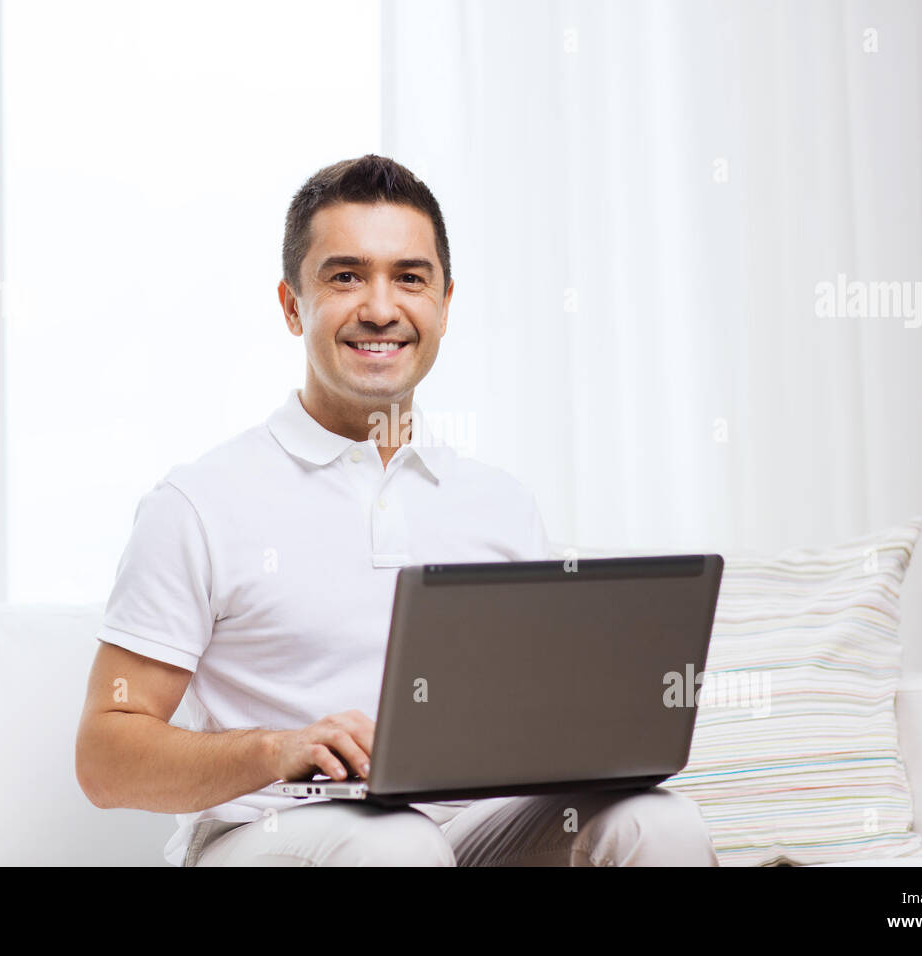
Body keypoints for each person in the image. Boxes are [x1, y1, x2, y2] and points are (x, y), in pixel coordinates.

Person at [74, 154, 718, 867]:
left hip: (465, 834)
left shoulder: (501, 505)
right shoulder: (199, 502)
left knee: (659, 824)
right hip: (273, 836)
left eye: (409, 278)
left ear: (444, 304)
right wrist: (277, 749)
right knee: (397, 845)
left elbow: (535, 722)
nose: (381, 308)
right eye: (346, 276)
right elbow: (106, 758)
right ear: (292, 305)